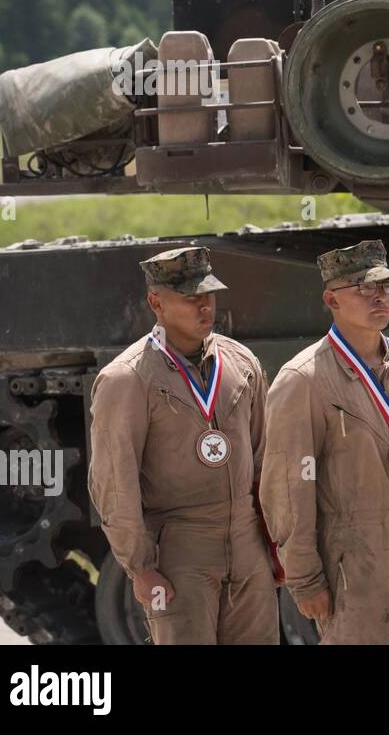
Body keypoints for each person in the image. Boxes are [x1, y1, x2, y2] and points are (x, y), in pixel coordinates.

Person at [88, 246, 278, 644]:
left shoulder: (241, 362)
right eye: (190, 297)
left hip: (247, 542)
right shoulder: (127, 379)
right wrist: (140, 567)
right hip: (180, 549)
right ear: (156, 302)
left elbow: (266, 457)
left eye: (208, 294)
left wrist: (276, 543)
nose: (204, 305)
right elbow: (114, 482)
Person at [260, 240, 389, 644]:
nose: (378, 296)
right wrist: (306, 579)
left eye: (385, 286)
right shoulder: (303, 380)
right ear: (331, 299)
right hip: (354, 562)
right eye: (363, 287)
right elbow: (287, 490)